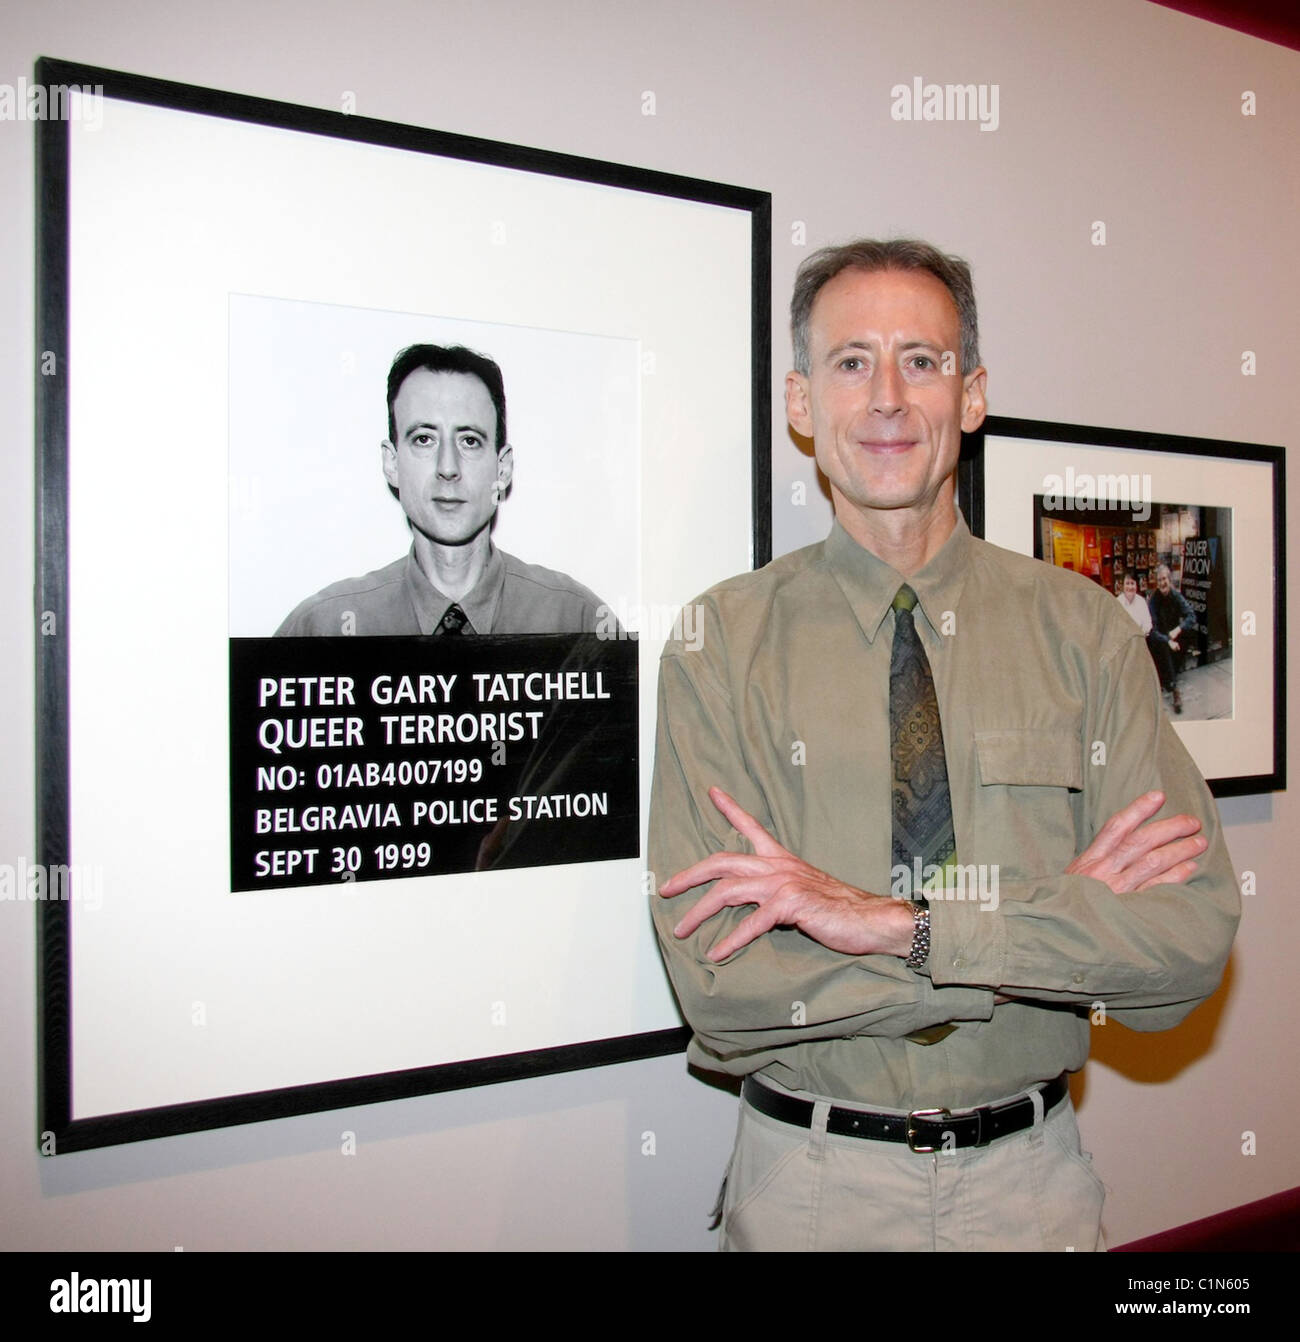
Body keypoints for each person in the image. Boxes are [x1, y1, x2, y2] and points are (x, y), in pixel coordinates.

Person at [648, 238, 1238, 1252]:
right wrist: (1045, 929)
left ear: (970, 394)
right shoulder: (720, 645)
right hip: (811, 1190)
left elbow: (1181, 953)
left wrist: (883, 923)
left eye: (920, 360)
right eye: (850, 361)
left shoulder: (1084, 631)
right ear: (799, 402)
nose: (886, 397)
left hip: (1033, 1187)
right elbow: (725, 991)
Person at [277, 344, 608, 636]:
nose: (448, 467)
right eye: (424, 439)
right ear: (391, 463)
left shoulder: (579, 621)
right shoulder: (320, 630)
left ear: (502, 468)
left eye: (470, 441)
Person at [1147, 563, 1197, 714]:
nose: (1163, 583)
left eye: (1165, 579)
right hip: (1161, 639)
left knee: (1189, 632)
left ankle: (1171, 673)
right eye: (1160, 580)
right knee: (1159, 642)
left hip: (1173, 635)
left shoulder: (1176, 596)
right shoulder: (1154, 600)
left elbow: (1191, 616)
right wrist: (1167, 640)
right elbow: (1153, 630)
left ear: (1169, 580)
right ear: (1157, 583)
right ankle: (1174, 689)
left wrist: (1178, 629)